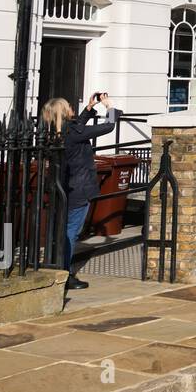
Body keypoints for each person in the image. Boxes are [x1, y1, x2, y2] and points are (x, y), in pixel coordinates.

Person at [40, 93, 119, 290]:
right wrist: (110, 108)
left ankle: (55, 267)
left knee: (61, 231)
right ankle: (65, 275)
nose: (73, 108)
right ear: (65, 112)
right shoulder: (73, 132)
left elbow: (77, 129)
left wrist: (90, 108)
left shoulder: (56, 133)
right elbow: (108, 126)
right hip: (79, 190)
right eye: (70, 106)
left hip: (62, 189)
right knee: (70, 233)